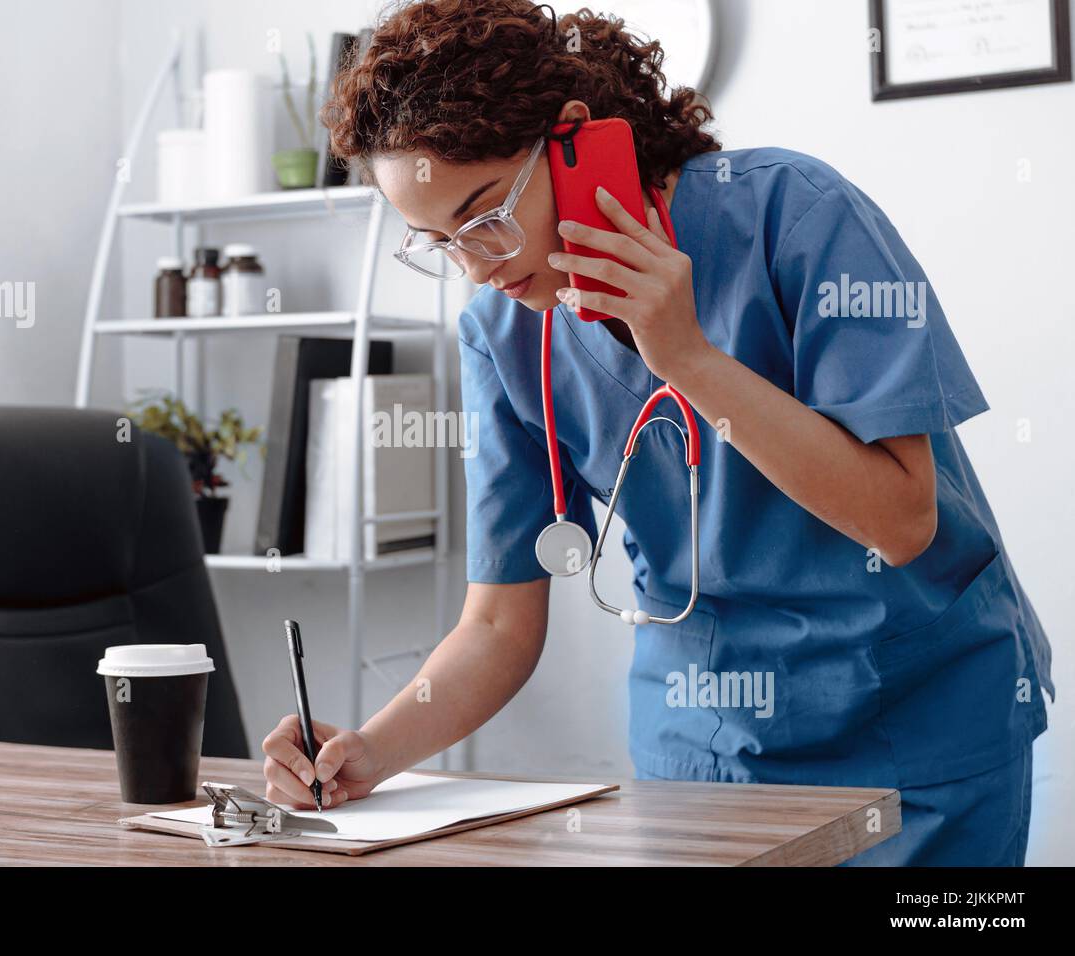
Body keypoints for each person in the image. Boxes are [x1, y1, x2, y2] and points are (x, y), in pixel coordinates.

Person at [261, 0, 1052, 865]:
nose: (478, 266)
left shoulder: (797, 214)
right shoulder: (502, 331)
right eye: (439, 242)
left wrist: (689, 358)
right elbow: (495, 628)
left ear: (570, 137)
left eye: (484, 215)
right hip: (706, 754)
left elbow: (902, 522)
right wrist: (372, 753)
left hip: (918, 737)